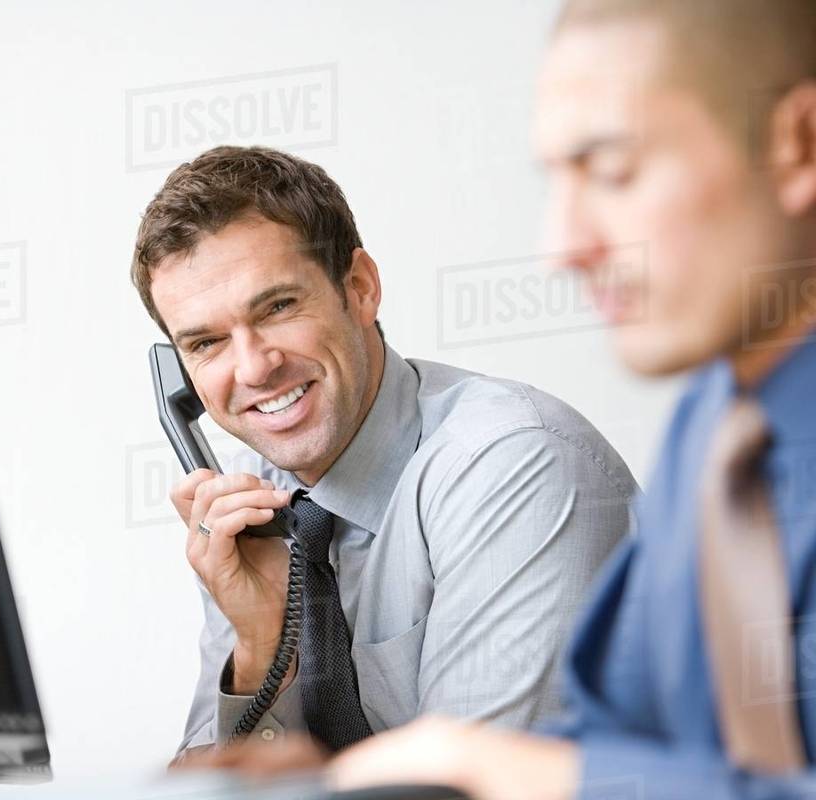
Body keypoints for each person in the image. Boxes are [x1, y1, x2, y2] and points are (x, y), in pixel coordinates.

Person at [309, 1, 816, 798]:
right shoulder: (716, 432)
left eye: (612, 171)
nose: (562, 247)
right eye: (556, 181)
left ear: (799, 146)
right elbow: (622, 727)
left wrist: (537, 775)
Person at [129, 145, 635, 757]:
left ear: (361, 288)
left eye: (279, 307)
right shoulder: (249, 507)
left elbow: (469, 790)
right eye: (207, 343)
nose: (255, 367)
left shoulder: (512, 465)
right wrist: (264, 649)